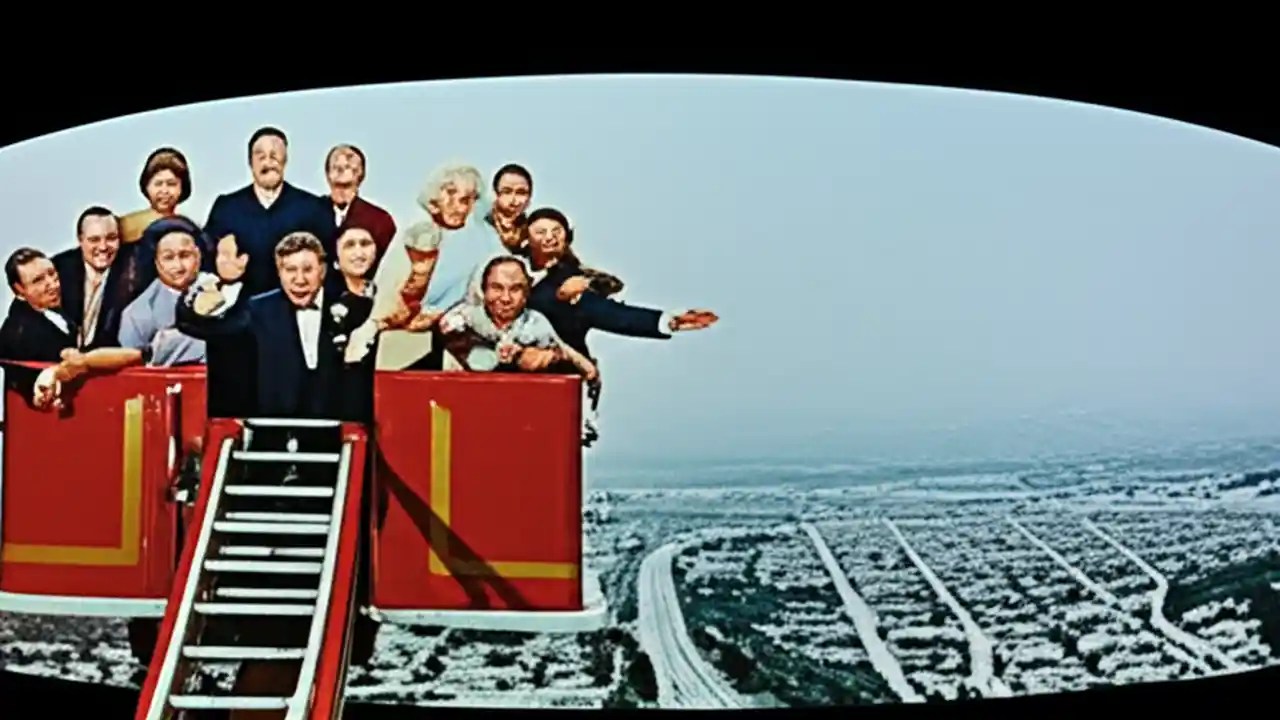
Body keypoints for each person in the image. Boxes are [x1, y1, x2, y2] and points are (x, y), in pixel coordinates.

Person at [203, 126, 333, 297]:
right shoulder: (226, 207)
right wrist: (221, 267)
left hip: (295, 311)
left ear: (285, 160)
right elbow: (205, 258)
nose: (268, 163)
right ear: (250, 163)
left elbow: (329, 262)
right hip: (241, 312)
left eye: (274, 155)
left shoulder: (313, 207)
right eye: (261, 156)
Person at [117, 216, 209, 366]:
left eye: (185, 255)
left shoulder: (221, 291)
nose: (178, 266)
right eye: (168, 258)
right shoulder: (136, 314)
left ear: (198, 256)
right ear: (156, 262)